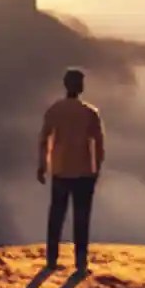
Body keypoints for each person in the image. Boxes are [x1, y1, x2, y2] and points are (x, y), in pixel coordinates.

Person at [38, 68, 105, 272]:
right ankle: (81, 262)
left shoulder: (55, 110)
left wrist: (43, 165)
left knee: (56, 215)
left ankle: (51, 259)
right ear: (80, 87)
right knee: (81, 217)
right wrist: (97, 168)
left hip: (60, 169)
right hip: (84, 171)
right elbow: (99, 144)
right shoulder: (90, 112)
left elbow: (44, 139)